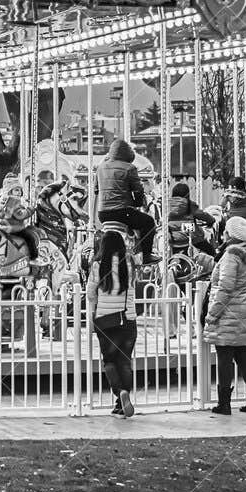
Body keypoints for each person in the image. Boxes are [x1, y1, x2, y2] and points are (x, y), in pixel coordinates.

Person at [205, 215, 246, 414]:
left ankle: (224, 403)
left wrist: (212, 314)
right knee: (243, 355)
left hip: (229, 312)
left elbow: (225, 288)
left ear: (230, 235)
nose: (222, 234)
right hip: (244, 310)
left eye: (225, 231)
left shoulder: (231, 256)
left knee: (224, 357)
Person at [85, 226, 138, 417]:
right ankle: (122, 401)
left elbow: (91, 293)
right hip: (128, 319)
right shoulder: (129, 263)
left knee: (109, 360)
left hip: (106, 321)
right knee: (124, 361)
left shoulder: (98, 264)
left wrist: (92, 314)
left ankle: (119, 393)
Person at [95, 139, 156, 262]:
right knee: (148, 222)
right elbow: (138, 191)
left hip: (103, 214)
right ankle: (146, 256)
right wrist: (137, 203)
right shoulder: (130, 168)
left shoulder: (100, 168)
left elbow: (96, 190)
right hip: (122, 212)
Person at [211, 176, 246, 247]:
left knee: (222, 233)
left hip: (232, 223)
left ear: (233, 187)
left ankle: (222, 248)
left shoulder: (228, 195)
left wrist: (227, 212)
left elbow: (221, 207)